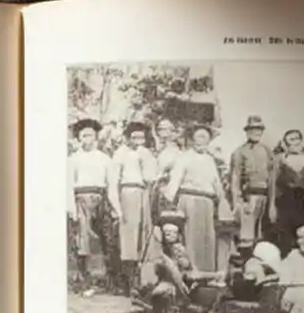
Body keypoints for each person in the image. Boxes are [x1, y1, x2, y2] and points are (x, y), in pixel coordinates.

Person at [164, 124, 228, 275]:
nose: (201, 140)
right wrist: (169, 201)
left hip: (207, 203)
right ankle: (191, 272)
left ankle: (207, 274)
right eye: (198, 137)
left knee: (207, 239)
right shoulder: (184, 157)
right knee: (191, 238)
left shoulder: (210, 160)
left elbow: (216, 184)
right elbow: (175, 180)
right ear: (192, 139)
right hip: (189, 200)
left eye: (205, 137)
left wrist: (223, 203)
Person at [67, 117, 121, 296]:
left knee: (107, 239)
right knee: (83, 240)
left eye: (89, 135)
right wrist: (72, 209)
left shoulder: (105, 159)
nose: (86, 139)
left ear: (96, 137)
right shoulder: (73, 159)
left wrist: (117, 209)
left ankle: (109, 280)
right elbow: (68, 185)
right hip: (81, 199)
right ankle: (85, 280)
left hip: (101, 198)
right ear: (78, 138)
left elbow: (111, 186)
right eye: (82, 136)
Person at [112, 121, 158, 296]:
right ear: (127, 137)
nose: (138, 140)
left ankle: (143, 280)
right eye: (134, 137)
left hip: (144, 192)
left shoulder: (146, 153)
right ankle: (128, 281)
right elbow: (114, 180)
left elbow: (150, 176)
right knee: (129, 234)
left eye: (141, 137)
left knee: (144, 233)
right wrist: (117, 207)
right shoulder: (121, 153)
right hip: (128, 190)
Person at [268, 129, 304, 258]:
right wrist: (272, 206)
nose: (294, 142)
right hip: (286, 202)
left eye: (297, 139)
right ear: (286, 143)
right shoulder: (280, 160)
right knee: (286, 235)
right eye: (291, 140)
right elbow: (273, 184)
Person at [230, 115, 272, 252]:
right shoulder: (240, 151)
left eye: (259, 130)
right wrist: (237, 200)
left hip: (265, 196)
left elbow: (272, 176)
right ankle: (244, 262)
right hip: (249, 196)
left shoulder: (267, 150)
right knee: (246, 234)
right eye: (253, 130)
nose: (256, 133)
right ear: (247, 131)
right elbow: (235, 177)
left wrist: (272, 203)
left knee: (261, 234)